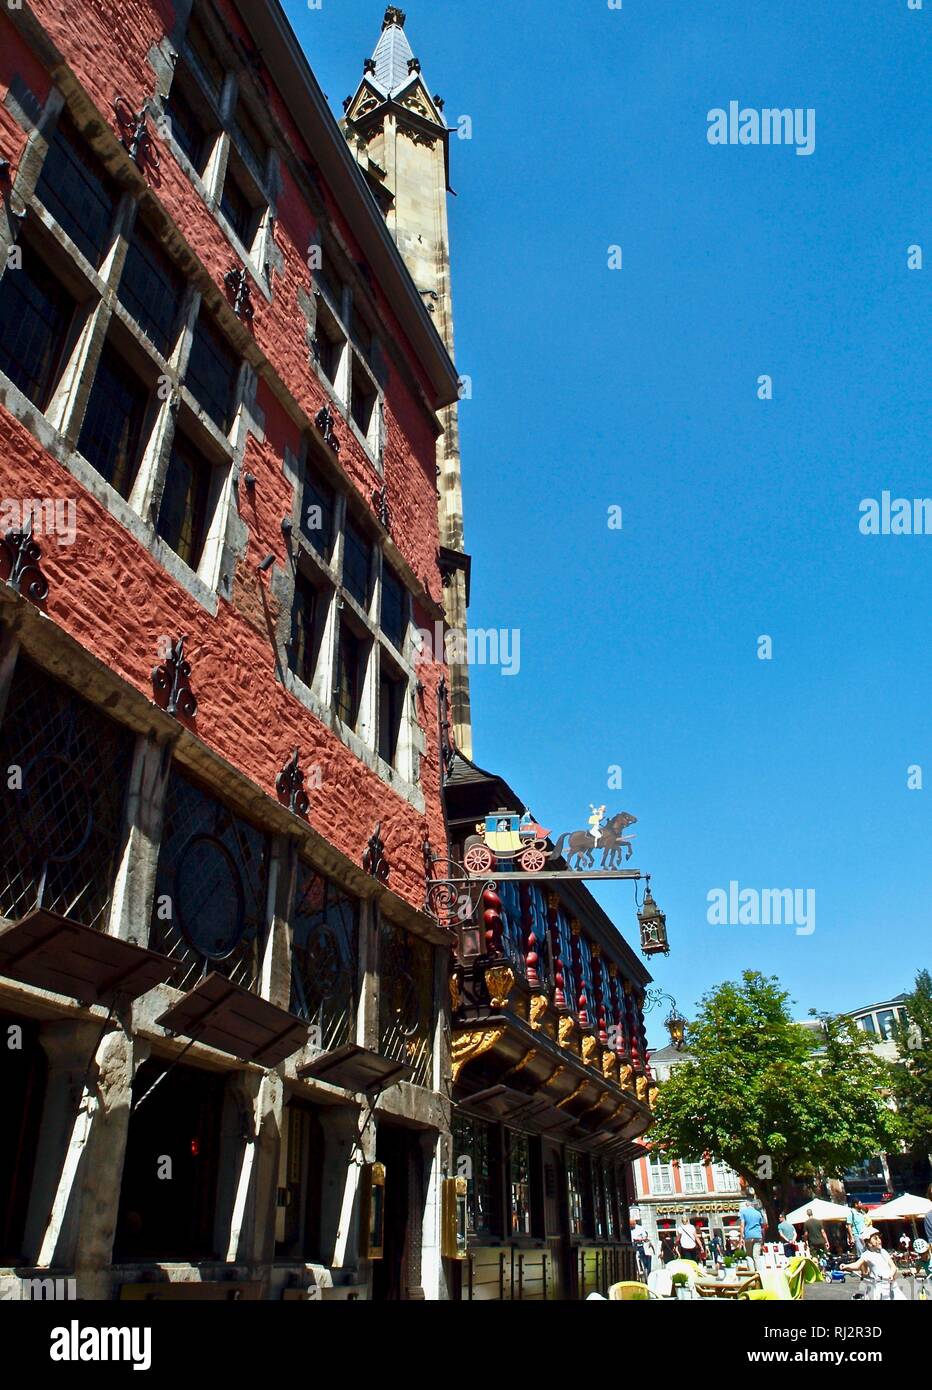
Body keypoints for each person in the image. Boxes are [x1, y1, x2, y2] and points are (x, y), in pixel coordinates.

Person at [842, 1230, 906, 1300]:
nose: (879, 1240)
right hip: (881, 1286)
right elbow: (857, 1265)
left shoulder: (883, 1252)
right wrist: (846, 1266)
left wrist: (891, 1274)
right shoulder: (867, 1255)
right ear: (868, 1243)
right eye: (875, 1238)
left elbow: (893, 1266)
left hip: (893, 1284)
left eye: (879, 1238)